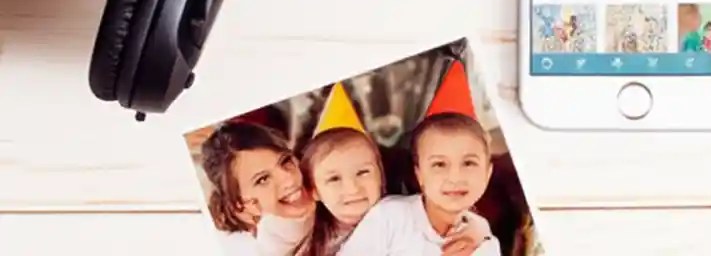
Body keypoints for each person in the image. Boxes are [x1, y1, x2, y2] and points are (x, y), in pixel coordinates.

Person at [336, 113, 499, 256]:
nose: (455, 177)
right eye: (439, 164)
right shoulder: (390, 218)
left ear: (488, 173)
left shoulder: (485, 244)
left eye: (469, 163)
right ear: (419, 174)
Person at [199, 121, 316, 256]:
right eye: (263, 179)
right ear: (243, 206)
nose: (289, 179)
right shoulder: (277, 240)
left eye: (285, 161)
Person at [293, 127, 386, 256]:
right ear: (314, 190)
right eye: (334, 179)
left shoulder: (402, 219)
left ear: (380, 175)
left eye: (363, 172)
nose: (353, 189)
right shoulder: (308, 244)